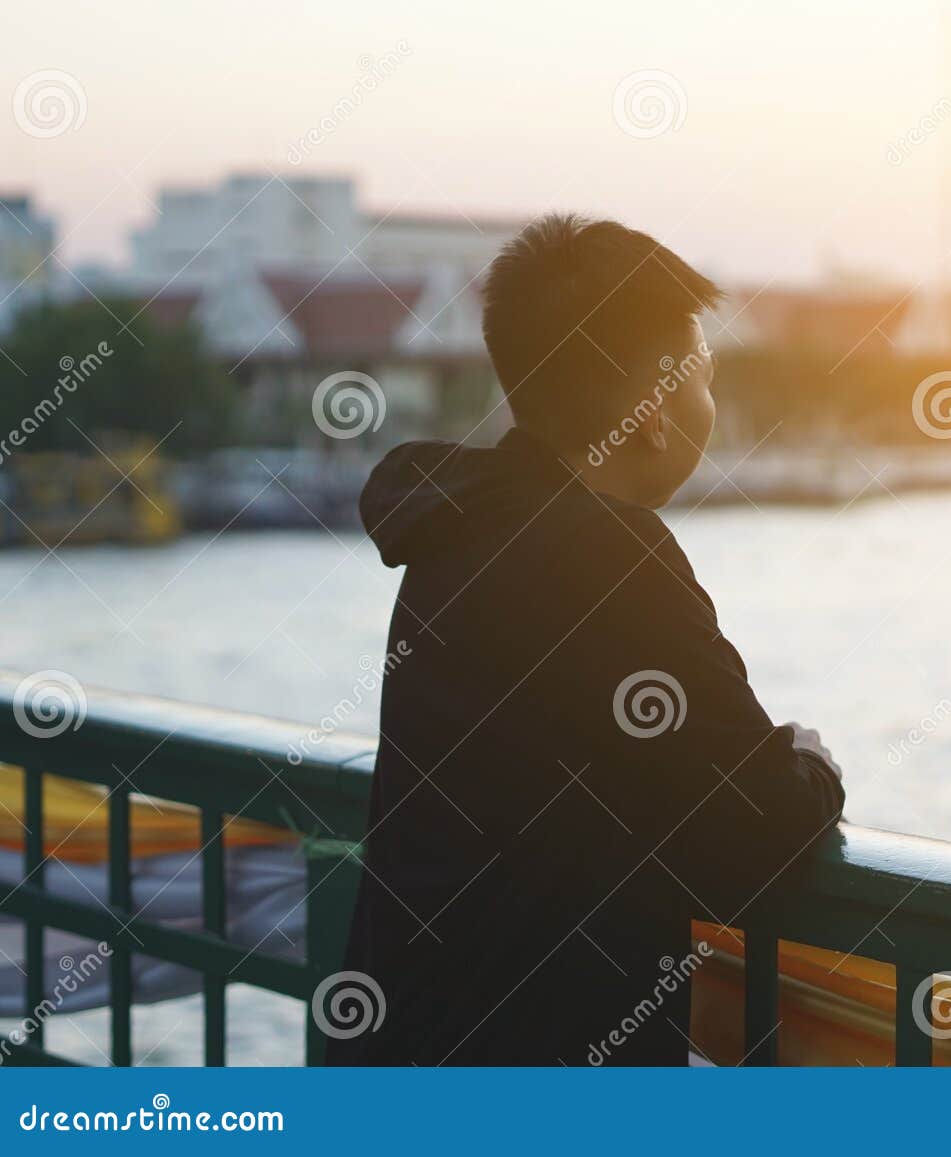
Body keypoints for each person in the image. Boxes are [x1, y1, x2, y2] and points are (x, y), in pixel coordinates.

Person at [327, 215, 845, 1066]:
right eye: (703, 377)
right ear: (650, 414)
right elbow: (753, 826)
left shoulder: (459, 531)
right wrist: (812, 765)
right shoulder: (607, 553)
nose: (708, 403)